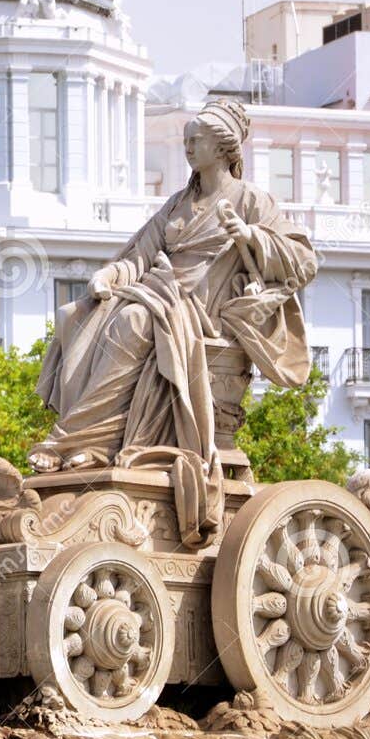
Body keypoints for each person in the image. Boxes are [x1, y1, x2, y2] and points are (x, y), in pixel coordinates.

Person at [28, 98, 317, 545]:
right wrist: (109, 275)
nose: (187, 146)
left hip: (203, 313)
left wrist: (252, 237)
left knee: (135, 322)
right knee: (78, 317)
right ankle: (87, 445)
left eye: (196, 139)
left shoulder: (250, 201)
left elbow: (303, 261)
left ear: (222, 148)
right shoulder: (178, 203)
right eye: (186, 139)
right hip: (161, 292)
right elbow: (140, 255)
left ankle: (79, 442)